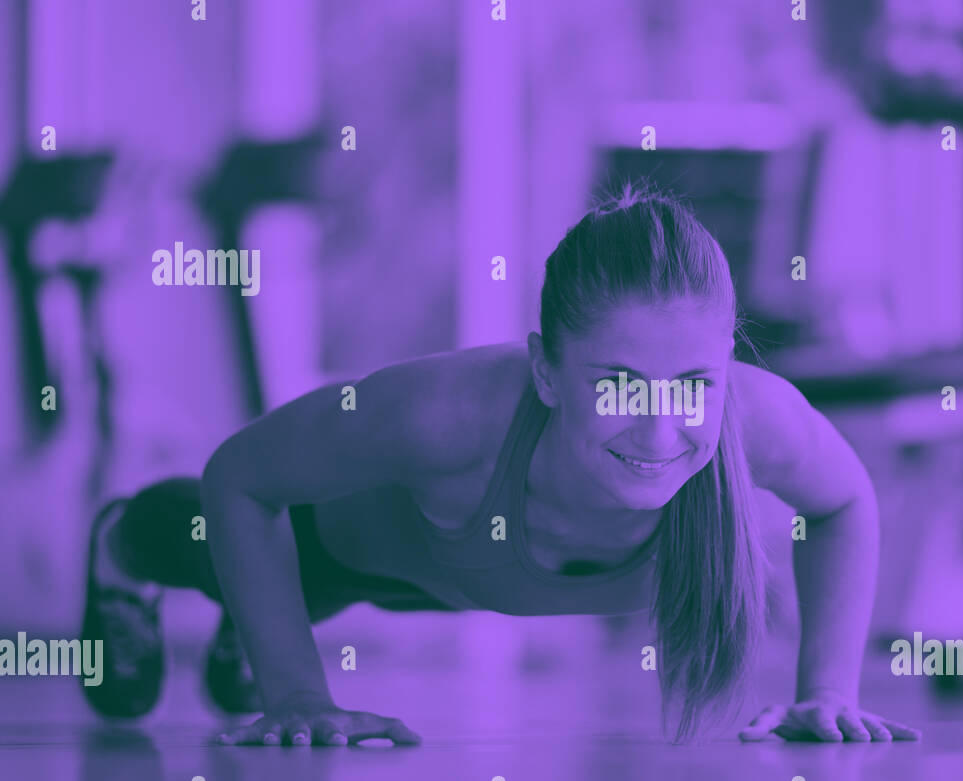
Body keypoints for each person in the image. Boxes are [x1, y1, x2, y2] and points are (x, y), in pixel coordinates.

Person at [81, 183, 920, 746]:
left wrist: (828, 693)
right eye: (621, 382)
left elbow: (845, 501)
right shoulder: (446, 412)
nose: (664, 428)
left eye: (694, 382)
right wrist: (297, 690)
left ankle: (257, 616)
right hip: (333, 552)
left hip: (431, 576)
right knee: (220, 550)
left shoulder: (755, 420)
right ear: (547, 370)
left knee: (265, 602)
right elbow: (241, 475)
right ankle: (125, 546)